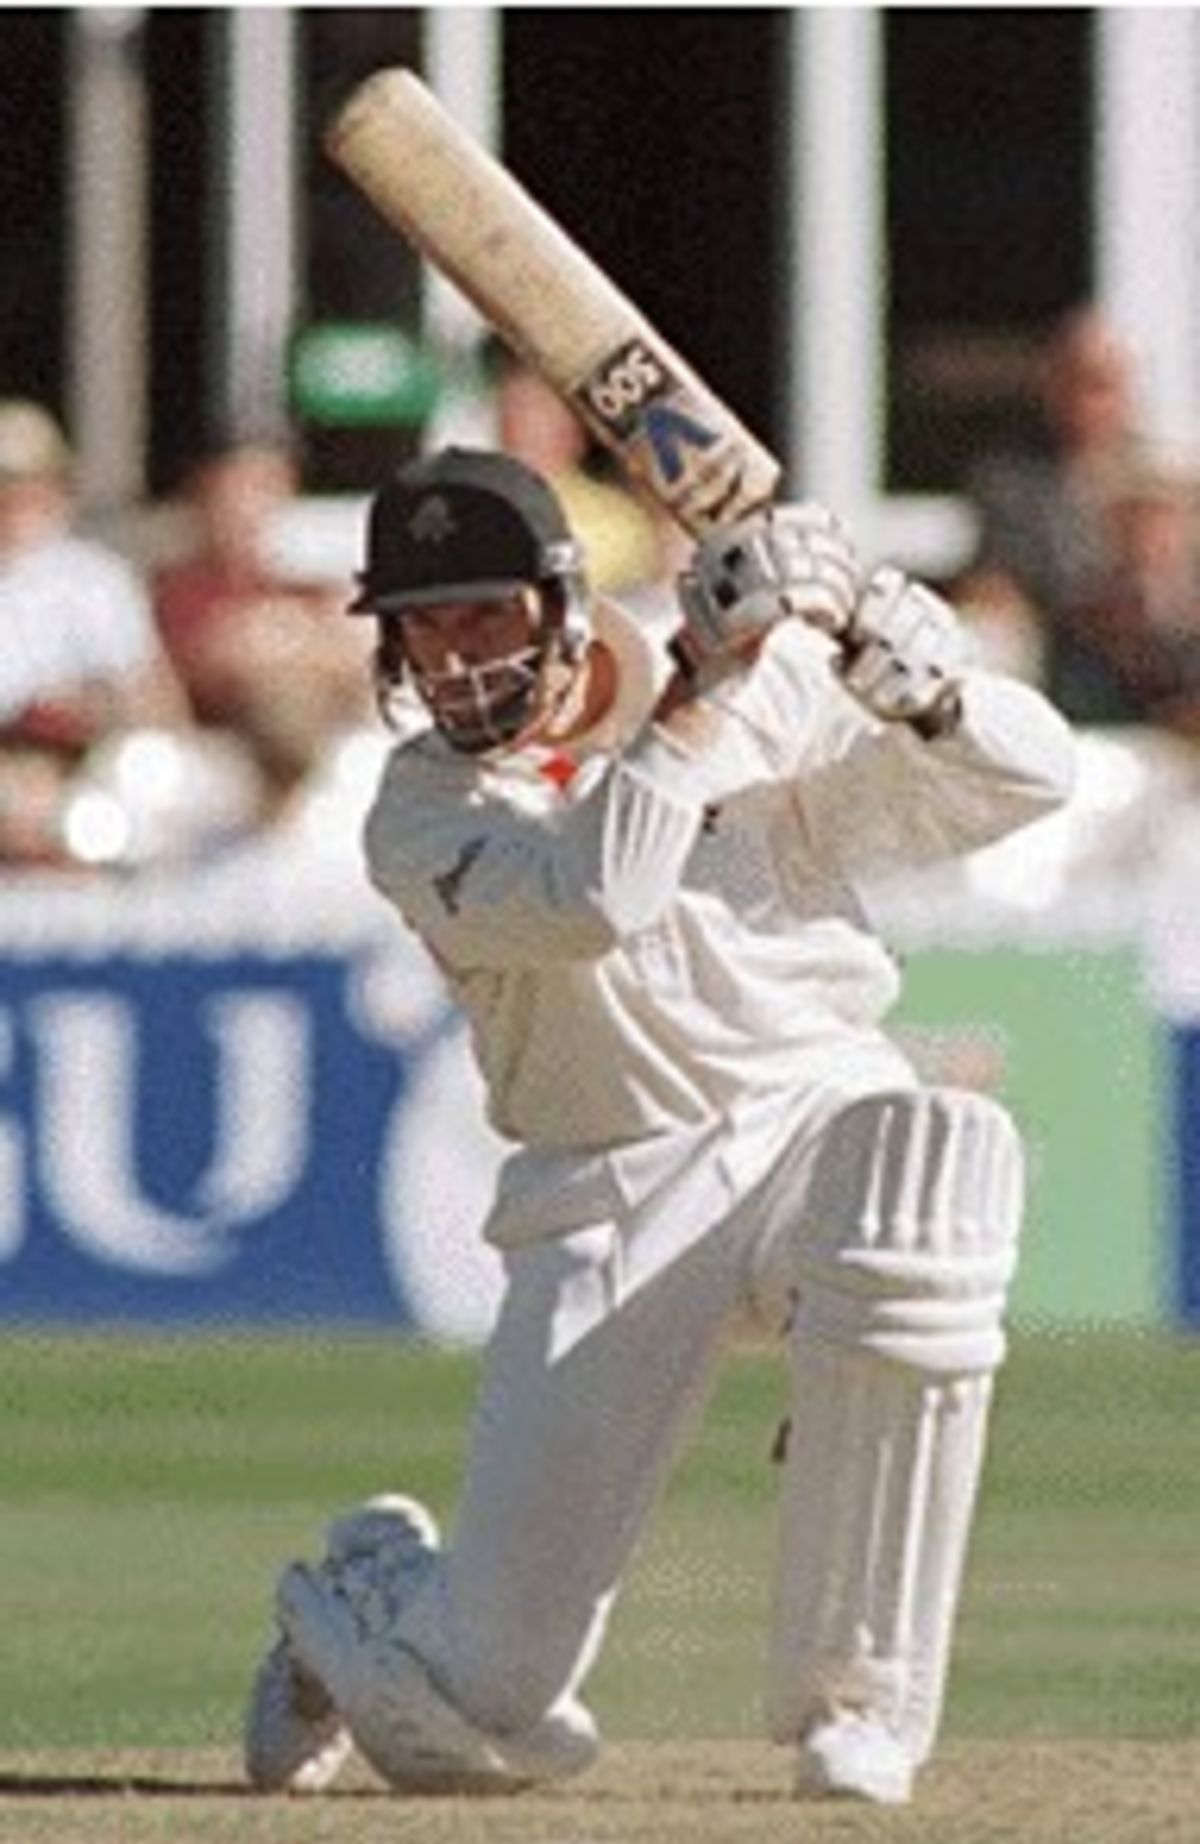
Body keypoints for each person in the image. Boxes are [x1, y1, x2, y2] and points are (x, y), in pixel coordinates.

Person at [242, 449, 1075, 1805]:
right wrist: (709, 691)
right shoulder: (422, 813)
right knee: (484, 1712)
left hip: (811, 1109)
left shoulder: (767, 682)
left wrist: (912, 674)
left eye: (485, 614)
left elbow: (1023, 786)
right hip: (612, 1188)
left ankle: (856, 1706)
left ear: (563, 604)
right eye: (425, 624)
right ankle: (371, 1592)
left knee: (934, 1173)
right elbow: (599, 897)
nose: (455, 657)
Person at [0, 398, 188, 866]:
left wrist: (84, 710)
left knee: (150, 769)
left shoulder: (92, 580)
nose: (14, 505)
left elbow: (155, 702)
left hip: (76, 773)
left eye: (26, 486)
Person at [153, 435, 371, 826]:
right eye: (235, 491)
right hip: (217, 780)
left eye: (265, 489)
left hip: (327, 784)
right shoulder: (176, 592)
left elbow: (361, 652)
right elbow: (209, 660)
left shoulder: (300, 587)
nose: (247, 508)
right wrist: (296, 637)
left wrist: (282, 635)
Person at [959, 305, 1152, 717]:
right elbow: (997, 581)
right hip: (1058, 643)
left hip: (1153, 649)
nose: (1091, 401)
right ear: (1053, 387)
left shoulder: (1155, 475)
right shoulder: (1011, 476)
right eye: (1079, 383)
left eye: (1104, 385)